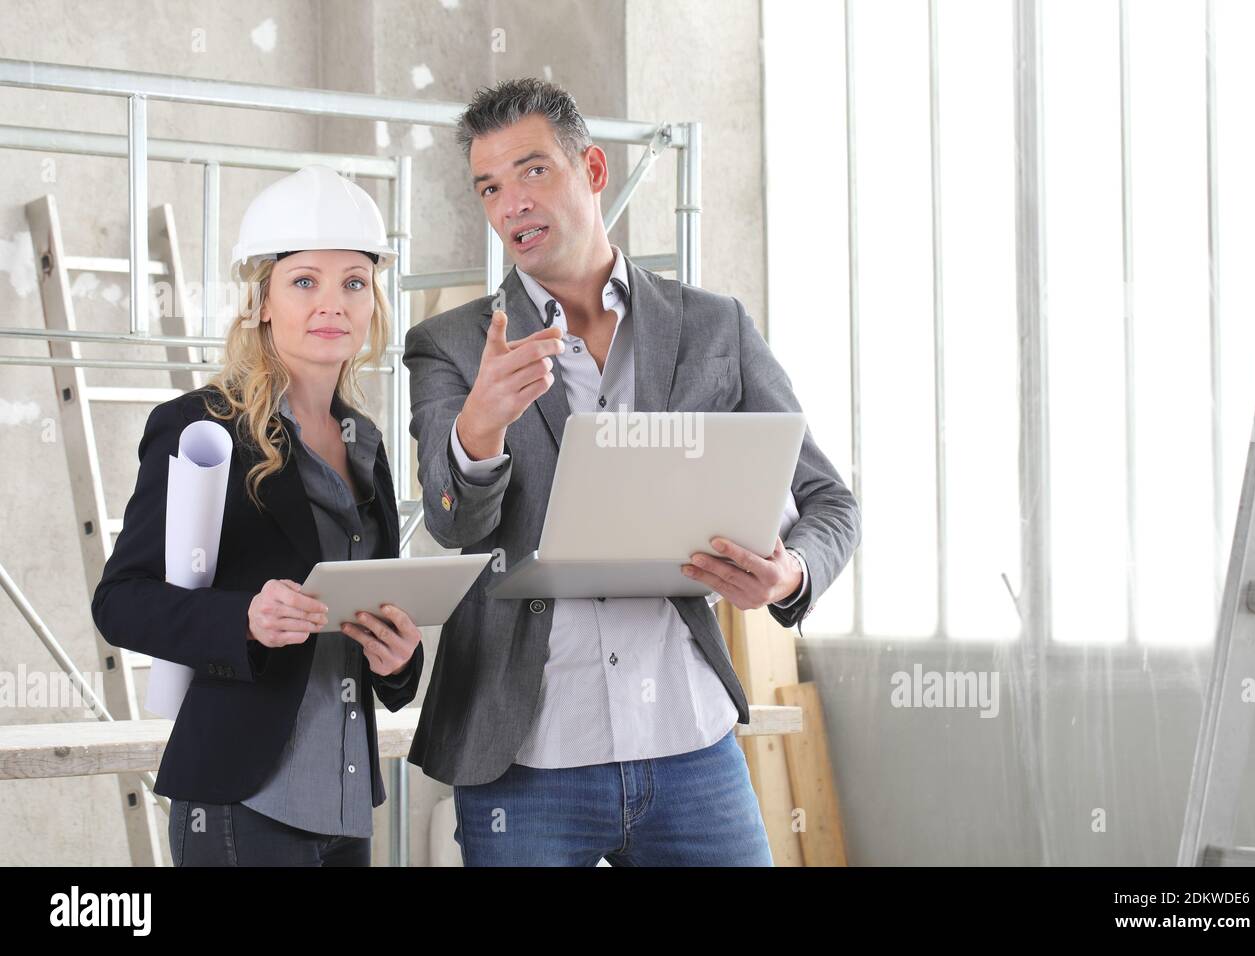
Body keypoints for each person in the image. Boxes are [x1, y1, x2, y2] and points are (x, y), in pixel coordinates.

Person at [403, 79, 861, 866]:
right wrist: (479, 430)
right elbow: (452, 521)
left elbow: (828, 502)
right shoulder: (451, 345)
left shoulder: (716, 326)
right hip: (527, 758)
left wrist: (788, 576)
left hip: (690, 745)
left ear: (593, 169)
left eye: (533, 171)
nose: (511, 203)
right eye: (490, 186)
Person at [92, 165, 425, 867]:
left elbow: (370, 624)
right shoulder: (198, 426)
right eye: (304, 280)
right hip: (244, 805)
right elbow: (120, 602)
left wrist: (399, 662)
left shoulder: (365, 443)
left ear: (373, 305)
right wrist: (244, 619)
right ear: (262, 300)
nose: (332, 302)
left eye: (354, 282)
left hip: (347, 800)